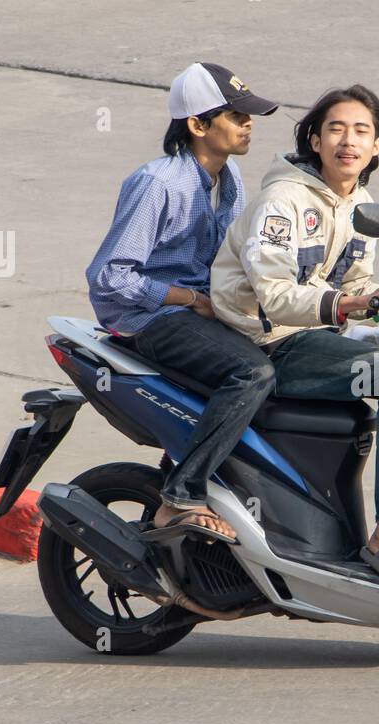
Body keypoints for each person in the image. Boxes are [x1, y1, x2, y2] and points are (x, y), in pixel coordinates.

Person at [211, 85, 379, 585]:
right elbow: (276, 297)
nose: (347, 141)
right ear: (314, 140)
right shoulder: (282, 201)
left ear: (378, 146)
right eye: (335, 129)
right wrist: (355, 304)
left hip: (315, 333)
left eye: (361, 131)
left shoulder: (361, 205)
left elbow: (355, 288)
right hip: (271, 342)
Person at [86, 62, 278, 537]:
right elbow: (109, 275)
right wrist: (191, 299)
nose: (247, 123)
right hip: (147, 318)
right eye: (235, 115)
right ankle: (182, 494)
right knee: (251, 373)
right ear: (197, 126)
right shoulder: (159, 183)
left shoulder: (228, 176)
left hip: (200, 310)